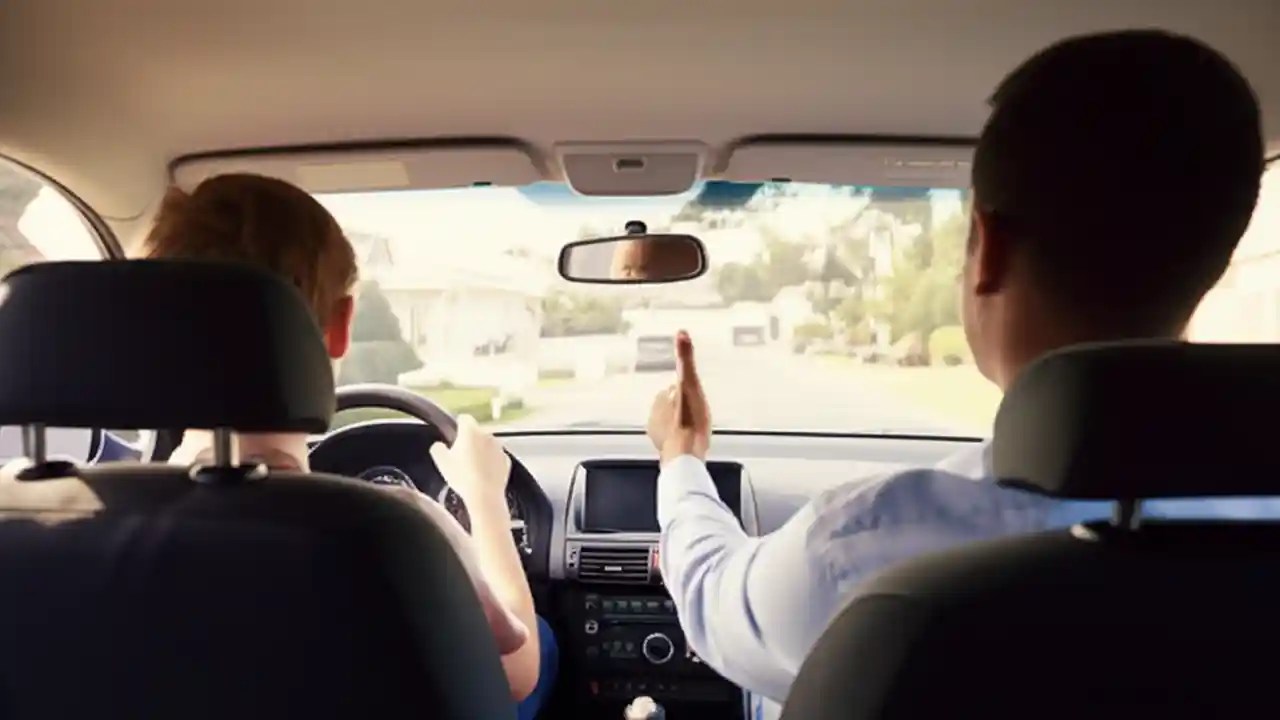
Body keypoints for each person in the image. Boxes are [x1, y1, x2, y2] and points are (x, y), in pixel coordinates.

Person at [645, 30, 1275, 714]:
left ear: (988, 249)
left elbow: (713, 597)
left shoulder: (869, 551)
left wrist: (681, 460)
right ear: (1214, 261)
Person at [145, 173, 557, 717]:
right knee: (543, 640)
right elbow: (515, 674)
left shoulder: (57, 529)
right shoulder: (395, 528)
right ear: (341, 327)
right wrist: (485, 503)